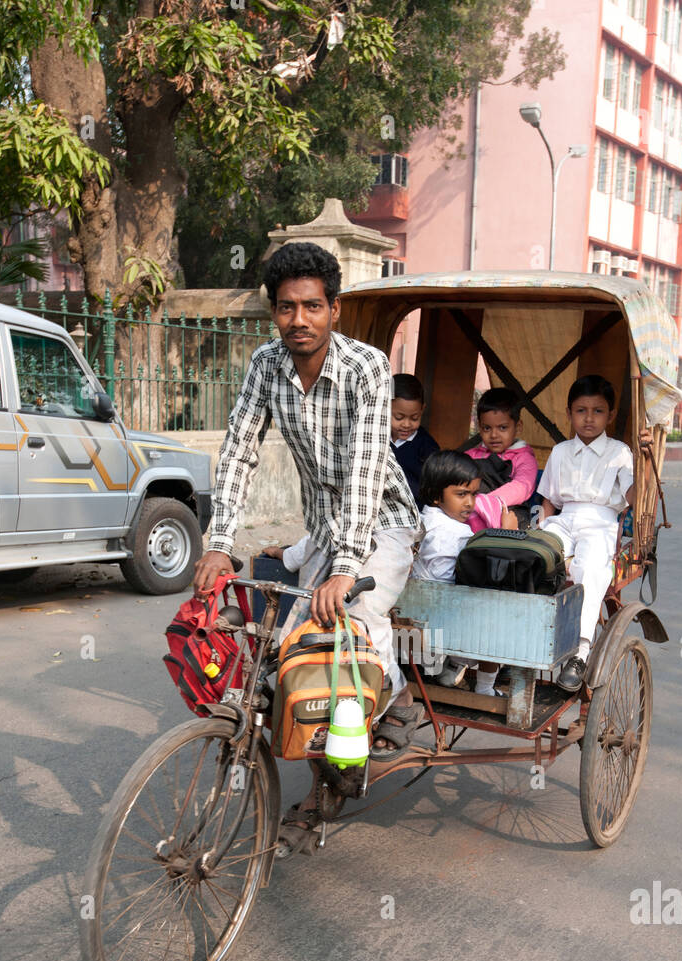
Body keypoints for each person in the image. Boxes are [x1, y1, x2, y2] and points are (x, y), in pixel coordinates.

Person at [193, 240, 423, 849]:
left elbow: (366, 472)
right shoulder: (266, 365)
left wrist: (345, 569)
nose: (300, 320)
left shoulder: (368, 368)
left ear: (334, 310)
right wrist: (220, 543)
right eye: (287, 307)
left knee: (352, 627)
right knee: (292, 656)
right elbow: (239, 449)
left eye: (313, 306)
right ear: (275, 312)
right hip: (323, 526)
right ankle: (324, 752)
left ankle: (390, 706)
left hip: (383, 522)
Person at [537, 373, 639, 694]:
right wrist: (541, 532)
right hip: (565, 518)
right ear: (569, 414)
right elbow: (549, 501)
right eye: (581, 410)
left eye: (597, 411)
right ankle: (532, 638)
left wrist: (644, 466)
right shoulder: (561, 451)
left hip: (601, 521)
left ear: (609, 415)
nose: (589, 418)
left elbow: (633, 497)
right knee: (535, 554)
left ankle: (580, 651)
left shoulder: (620, 453)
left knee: (592, 567)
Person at [412, 450, 516, 697]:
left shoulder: (421, 519)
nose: (470, 503)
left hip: (412, 624)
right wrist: (507, 534)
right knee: (501, 607)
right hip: (447, 626)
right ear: (438, 495)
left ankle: (451, 666)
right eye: (461, 495)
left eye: (474, 494)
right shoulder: (459, 534)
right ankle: (484, 688)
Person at [465, 387, 541, 530]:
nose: (494, 435)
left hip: (508, 514)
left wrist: (487, 503)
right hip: (470, 511)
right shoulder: (470, 456)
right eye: (487, 428)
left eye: (502, 428)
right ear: (479, 428)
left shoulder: (524, 458)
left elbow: (522, 486)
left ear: (518, 427)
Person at [390, 373, 440, 506]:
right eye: (399, 417)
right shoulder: (376, 437)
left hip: (414, 511)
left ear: (422, 409)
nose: (406, 424)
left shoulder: (428, 448)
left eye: (414, 418)